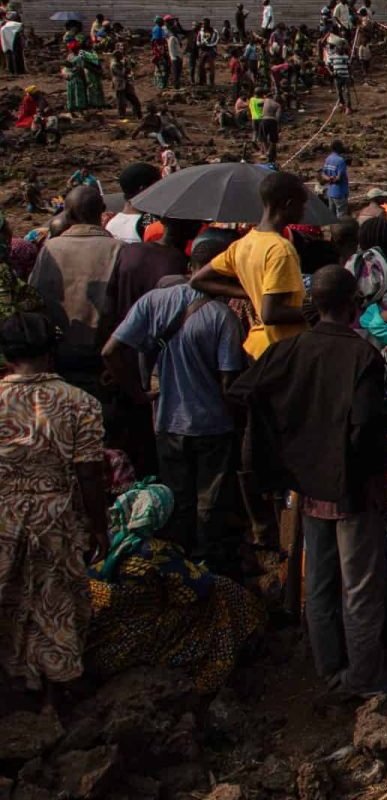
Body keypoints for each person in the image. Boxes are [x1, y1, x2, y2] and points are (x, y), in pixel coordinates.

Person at [230, 265, 387, 697]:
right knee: (359, 585)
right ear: (351, 303)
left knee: (319, 581)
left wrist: (288, 439)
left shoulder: (292, 349)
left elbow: (244, 390)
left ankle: (327, 667)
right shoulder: (362, 356)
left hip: (308, 484)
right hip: (353, 486)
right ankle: (364, 677)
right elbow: (365, 426)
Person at [102, 238, 248, 576]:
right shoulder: (222, 317)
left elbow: (111, 352)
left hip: (167, 420)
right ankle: (208, 569)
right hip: (214, 425)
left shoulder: (153, 301)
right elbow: (228, 381)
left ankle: (177, 566)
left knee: (176, 500)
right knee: (209, 504)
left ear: (189, 268)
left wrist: (137, 394)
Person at [0, 313, 108, 703]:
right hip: (56, 515)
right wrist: (99, 526)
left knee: (8, 593)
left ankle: (13, 680)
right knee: (55, 594)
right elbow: (90, 475)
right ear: (51, 352)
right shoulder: (81, 403)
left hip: (3, 514)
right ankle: (59, 681)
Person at [84, 481, 266, 694]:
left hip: (98, 646)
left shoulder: (111, 547)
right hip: (130, 646)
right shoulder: (155, 553)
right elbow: (198, 588)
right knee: (221, 593)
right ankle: (214, 670)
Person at [191, 173, 309, 358]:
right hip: (280, 350)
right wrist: (314, 311)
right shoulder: (281, 249)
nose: (304, 210)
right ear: (288, 204)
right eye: (302, 204)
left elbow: (198, 279)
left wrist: (250, 292)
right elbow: (271, 314)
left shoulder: (243, 244)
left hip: (256, 345)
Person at [27, 183, 123, 392]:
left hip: (60, 353)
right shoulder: (119, 249)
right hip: (105, 354)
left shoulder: (50, 249)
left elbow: (34, 297)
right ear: (103, 208)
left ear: (68, 213)